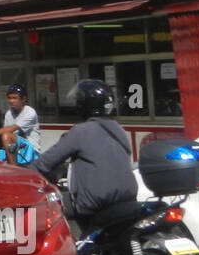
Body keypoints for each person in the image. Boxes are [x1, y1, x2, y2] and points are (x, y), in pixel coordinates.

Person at [31, 79, 136, 236]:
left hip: (97, 204)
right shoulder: (119, 129)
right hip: (127, 200)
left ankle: (65, 252)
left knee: (49, 207)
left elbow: (44, 163)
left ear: (84, 105)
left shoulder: (81, 131)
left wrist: (20, 173)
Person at [0, 83, 41, 150]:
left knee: (6, 136)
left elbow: (12, 129)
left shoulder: (30, 112)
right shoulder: (9, 113)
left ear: (23, 99)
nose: (11, 101)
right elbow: (5, 130)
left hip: (31, 149)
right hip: (16, 147)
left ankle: (12, 161)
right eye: (9, 98)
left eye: (15, 98)